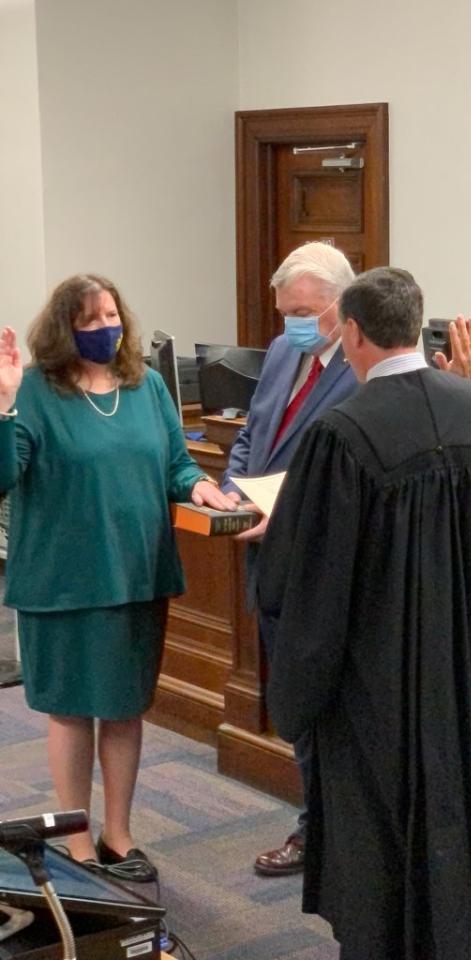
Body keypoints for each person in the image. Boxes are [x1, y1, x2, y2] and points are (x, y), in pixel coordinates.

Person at [257, 267, 471, 959]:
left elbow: (309, 583)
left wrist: (297, 694)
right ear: (417, 326)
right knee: (457, 812)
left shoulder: (342, 433)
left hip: (371, 686)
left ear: (351, 333)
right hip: (460, 665)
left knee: (376, 841)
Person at [222, 242, 471, 877]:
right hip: (271, 559)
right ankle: (319, 826)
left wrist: (462, 385)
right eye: (285, 312)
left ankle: (331, 838)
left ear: (347, 316)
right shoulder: (286, 352)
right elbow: (255, 434)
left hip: (332, 574)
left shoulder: (373, 378)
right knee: (304, 716)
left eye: (306, 312)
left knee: (339, 718)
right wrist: (233, 488)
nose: (292, 325)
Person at [0, 274, 236, 882]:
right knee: (74, 712)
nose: (107, 328)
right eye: (90, 320)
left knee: (126, 709)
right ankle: (76, 841)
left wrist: (200, 486)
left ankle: (119, 835)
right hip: (64, 583)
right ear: (64, 330)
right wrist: (1, 406)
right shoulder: (35, 392)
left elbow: (176, 463)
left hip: (138, 574)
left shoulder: (148, 387)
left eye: (112, 316)